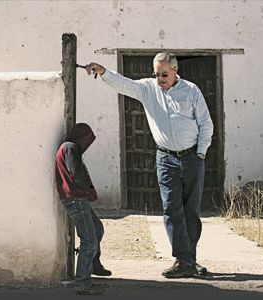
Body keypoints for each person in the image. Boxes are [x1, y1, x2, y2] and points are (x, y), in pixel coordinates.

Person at [85, 52, 213, 278]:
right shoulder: (148, 88)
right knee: (172, 209)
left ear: (175, 71)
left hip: (192, 157)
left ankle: (188, 260)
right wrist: (104, 72)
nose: (160, 79)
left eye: (164, 74)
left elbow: (206, 124)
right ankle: (184, 260)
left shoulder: (191, 91)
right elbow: (124, 84)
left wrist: (200, 154)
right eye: (156, 74)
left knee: (190, 210)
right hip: (166, 159)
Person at [55, 123, 112, 293]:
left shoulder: (67, 147)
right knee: (89, 240)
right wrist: (88, 191)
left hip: (77, 198)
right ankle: (82, 282)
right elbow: (76, 173)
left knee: (97, 229)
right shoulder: (71, 148)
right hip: (76, 198)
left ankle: (93, 265)